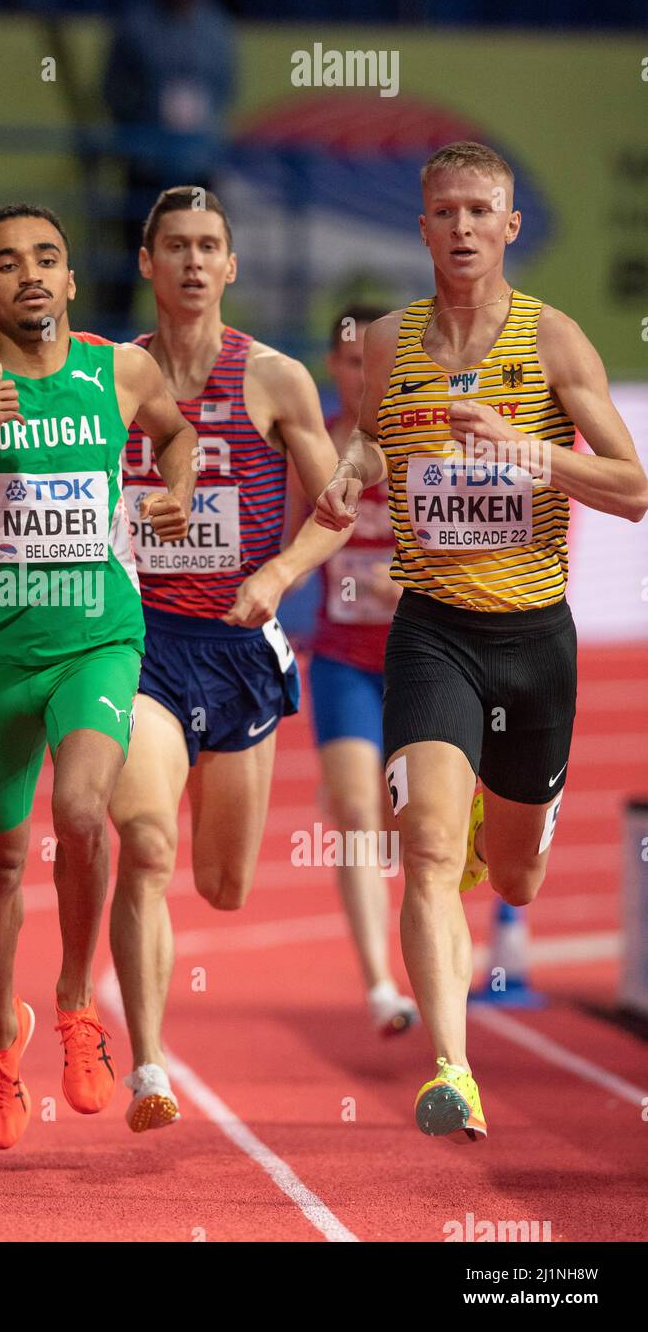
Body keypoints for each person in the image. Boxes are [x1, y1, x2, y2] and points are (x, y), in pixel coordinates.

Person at [315, 140, 648, 1142]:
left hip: (534, 641)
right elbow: (378, 437)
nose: (461, 228)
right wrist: (350, 467)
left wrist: (533, 452)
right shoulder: (383, 344)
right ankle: (453, 1070)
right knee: (421, 851)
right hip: (432, 633)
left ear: (508, 226)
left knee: (514, 878)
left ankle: (511, 832)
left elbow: (634, 489)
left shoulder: (557, 344)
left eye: (480, 212)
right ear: (421, 228)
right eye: (444, 212)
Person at [0, 203, 197, 1150]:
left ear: (68, 281)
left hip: (96, 639)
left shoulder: (121, 370)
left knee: (84, 813)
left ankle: (72, 1001)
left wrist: (174, 489)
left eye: (46, 260)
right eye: (7, 263)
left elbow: (176, 436)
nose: (29, 275)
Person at [110, 186, 351, 1132]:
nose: (194, 262)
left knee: (222, 884)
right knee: (143, 843)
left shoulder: (278, 379)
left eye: (210, 246)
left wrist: (283, 573)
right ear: (147, 261)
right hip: (139, 646)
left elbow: (335, 510)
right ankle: (149, 1067)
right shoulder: (108, 376)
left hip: (240, 649)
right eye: (175, 246)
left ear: (231, 265)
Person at [303, 304, 419, 1038]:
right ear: (330, 365)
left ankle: (430, 955)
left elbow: (464, 541)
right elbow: (283, 533)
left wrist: (402, 580)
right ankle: (378, 984)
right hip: (342, 659)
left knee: (408, 828)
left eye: (369, 363)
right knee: (353, 818)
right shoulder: (310, 440)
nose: (357, 375)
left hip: (422, 657)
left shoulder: (417, 434)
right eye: (346, 362)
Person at [100, 0, 236, 330]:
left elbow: (225, 90)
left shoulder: (215, 30)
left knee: (199, 264)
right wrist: (140, 130)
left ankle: (200, 343)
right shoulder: (136, 25)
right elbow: (114, 91)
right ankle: (113, 347)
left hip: (198, 168)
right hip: (146, 165)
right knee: (130, 264)